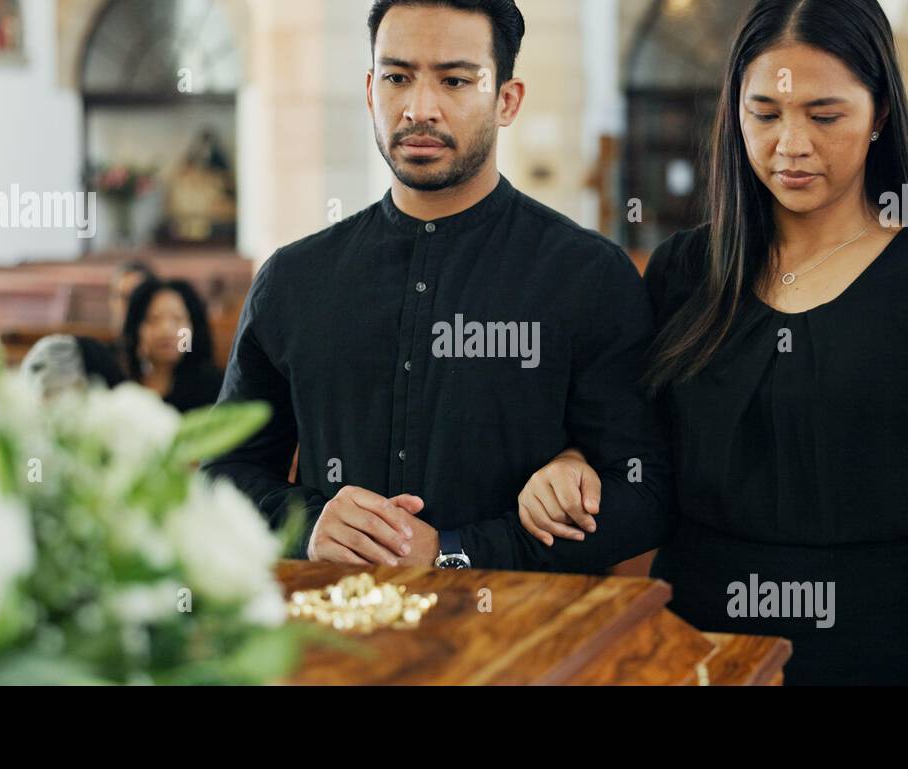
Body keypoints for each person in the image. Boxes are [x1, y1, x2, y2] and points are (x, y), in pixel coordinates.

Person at [517, 0, 908, 685]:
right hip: (692, 648)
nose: (791, 144)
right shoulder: (682, 272)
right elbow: (630, 440)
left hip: (878, 654)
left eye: (824, 115)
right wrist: (572, 461)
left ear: (879, 113)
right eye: (765, 114)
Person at [204, 0, 671, 571]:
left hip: (523, 641)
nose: (419, 109)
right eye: (398, 78)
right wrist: (307, 523)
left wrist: (455, 551)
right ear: (372, 90)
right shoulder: (294, 279)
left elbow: (644, 492)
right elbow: (223, 476)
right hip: (341, 640)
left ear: (507, 100)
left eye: (454, 80)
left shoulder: (588, 276)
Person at [122, 278, 224, 413]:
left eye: (177, 318)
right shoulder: (123, 387)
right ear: (136, 329)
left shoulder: (216, 389)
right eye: (153, 319)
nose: (166, 330)